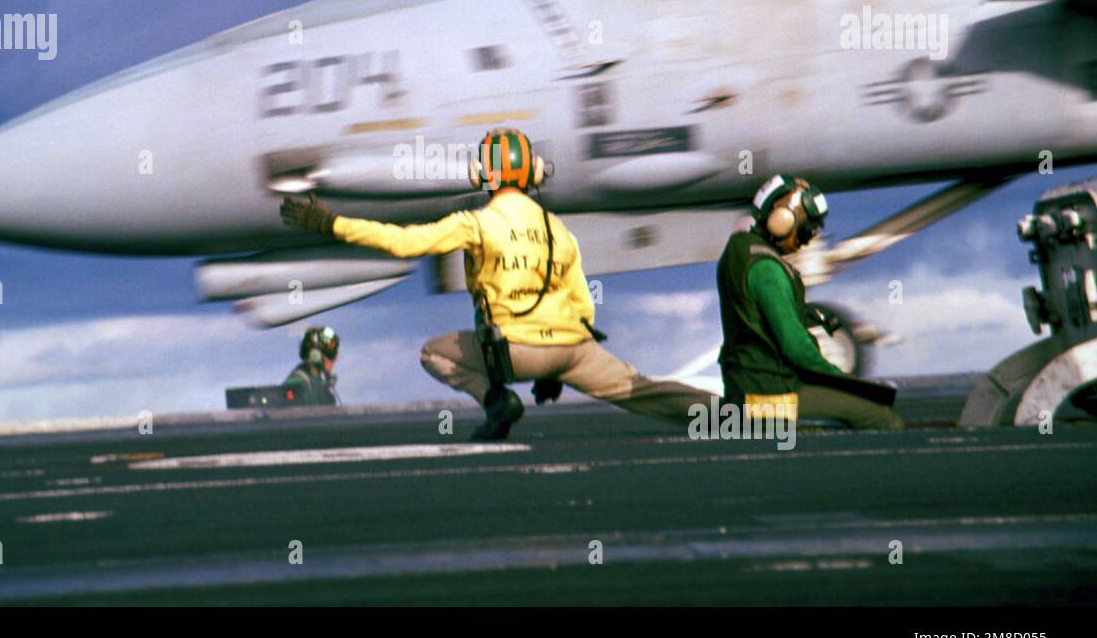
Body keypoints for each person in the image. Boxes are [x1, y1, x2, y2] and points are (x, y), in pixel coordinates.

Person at [281, 127, 713, 439]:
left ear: (482, 175)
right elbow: (581, 302)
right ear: (532, 174)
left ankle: (495, 401)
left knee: (434, 352)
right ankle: (730, 416)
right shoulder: (556, 228)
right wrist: (558, 366)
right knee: (644, 390)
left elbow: (404, 242)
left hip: (512, 354)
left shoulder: (477, 223)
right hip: (572, 351)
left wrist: (332, 223)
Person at [716, 174, 902, 429]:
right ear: (782, 221)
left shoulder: (739, 248)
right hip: (768, 394)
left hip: (747, 386)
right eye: (805, 230)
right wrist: (845, 380)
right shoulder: (767, 269)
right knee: (881, 417)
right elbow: (795, 347)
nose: (806, 240)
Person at [282, 326, 340, 406]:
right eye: (331, 354)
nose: (336, 358)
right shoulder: (297, 384)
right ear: (315, 355)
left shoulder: (319, 383)